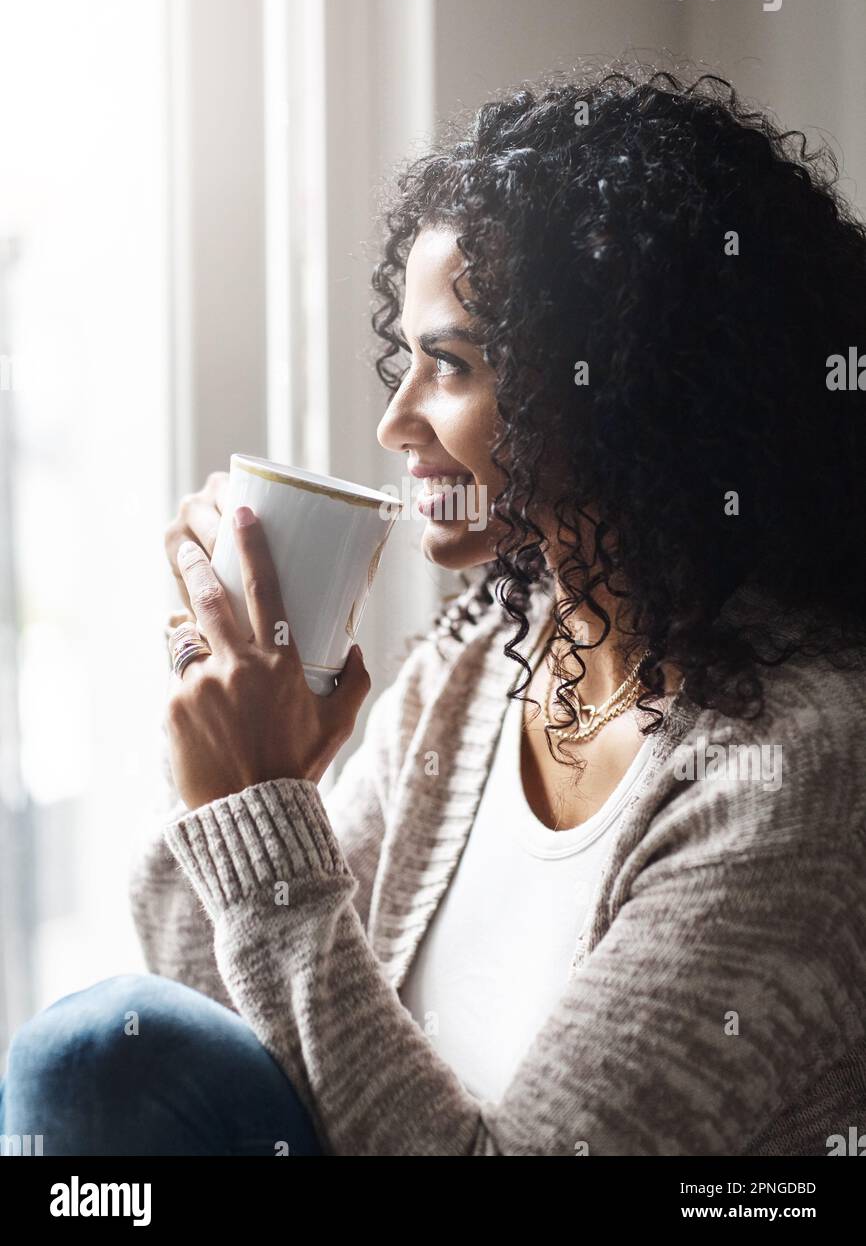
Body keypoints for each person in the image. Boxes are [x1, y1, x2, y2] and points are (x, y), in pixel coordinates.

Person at [4, 65, 866, 1156]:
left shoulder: (800, 763)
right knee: (92, 1051)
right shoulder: (481, 662)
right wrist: (244, 771)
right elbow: (201, 1026)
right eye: (402, 360)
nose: (395, 423)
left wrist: (263, 813)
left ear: (627, 385)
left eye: (448, 365)